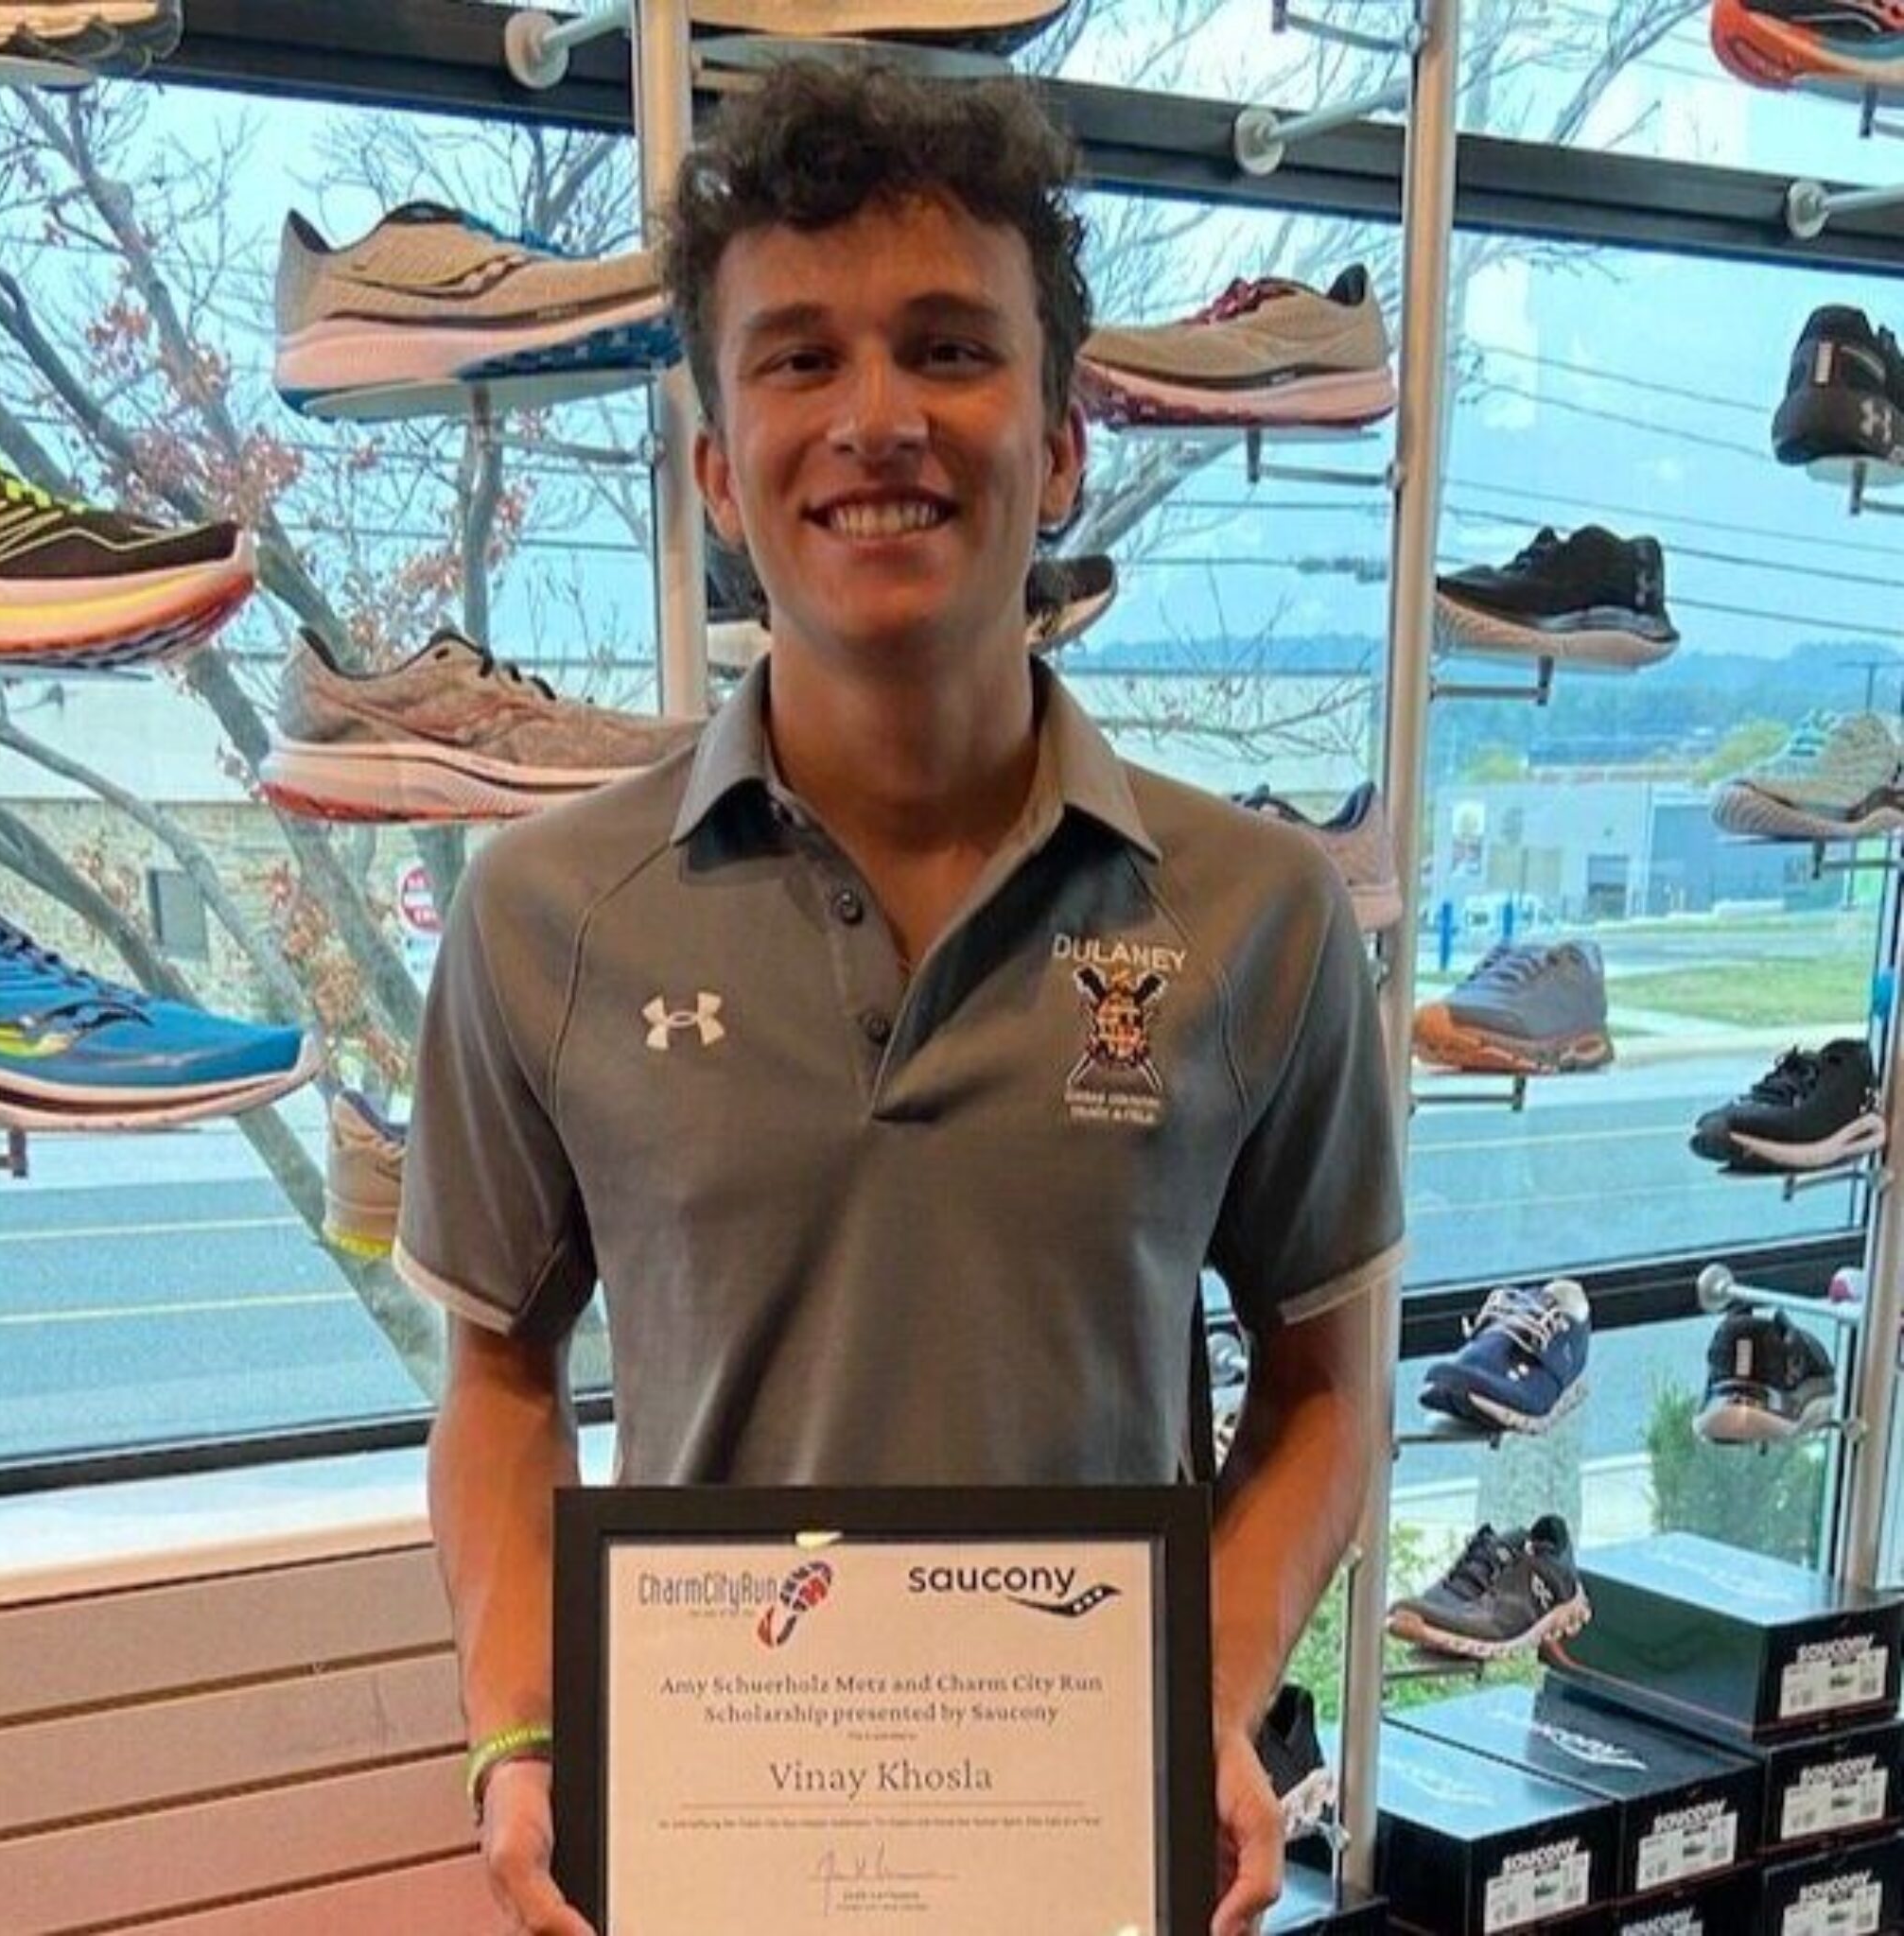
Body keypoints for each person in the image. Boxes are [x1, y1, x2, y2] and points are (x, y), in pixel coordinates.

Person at [399, 60, 1402, 1936]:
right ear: (717, 469)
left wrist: (1197, 1697)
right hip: (706, 1860)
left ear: (1063, 442)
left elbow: (1327, 1389)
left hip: (1087, 1859)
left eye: (948, 349)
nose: (876, 421)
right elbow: (500, 1378)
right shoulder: (543, 917)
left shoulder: (1260, 915)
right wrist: (519, 1722)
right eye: (798, 360)